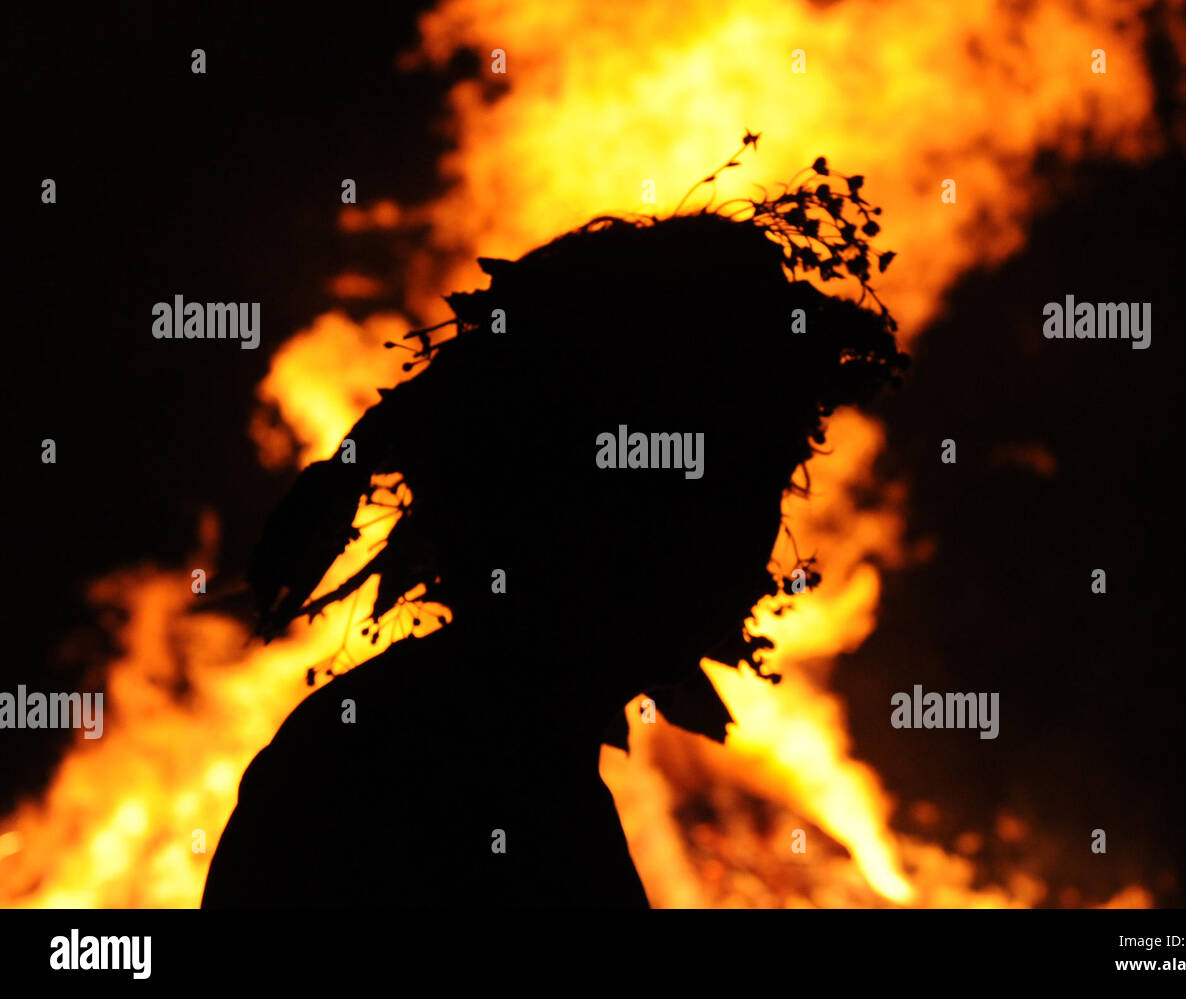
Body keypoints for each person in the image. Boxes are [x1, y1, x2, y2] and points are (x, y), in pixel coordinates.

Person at [202, 158, 906, 906]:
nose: (754, 544)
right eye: (725, 481)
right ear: (584, 501)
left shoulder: (458, 753)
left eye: (763, 483)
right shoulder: (436, 781)